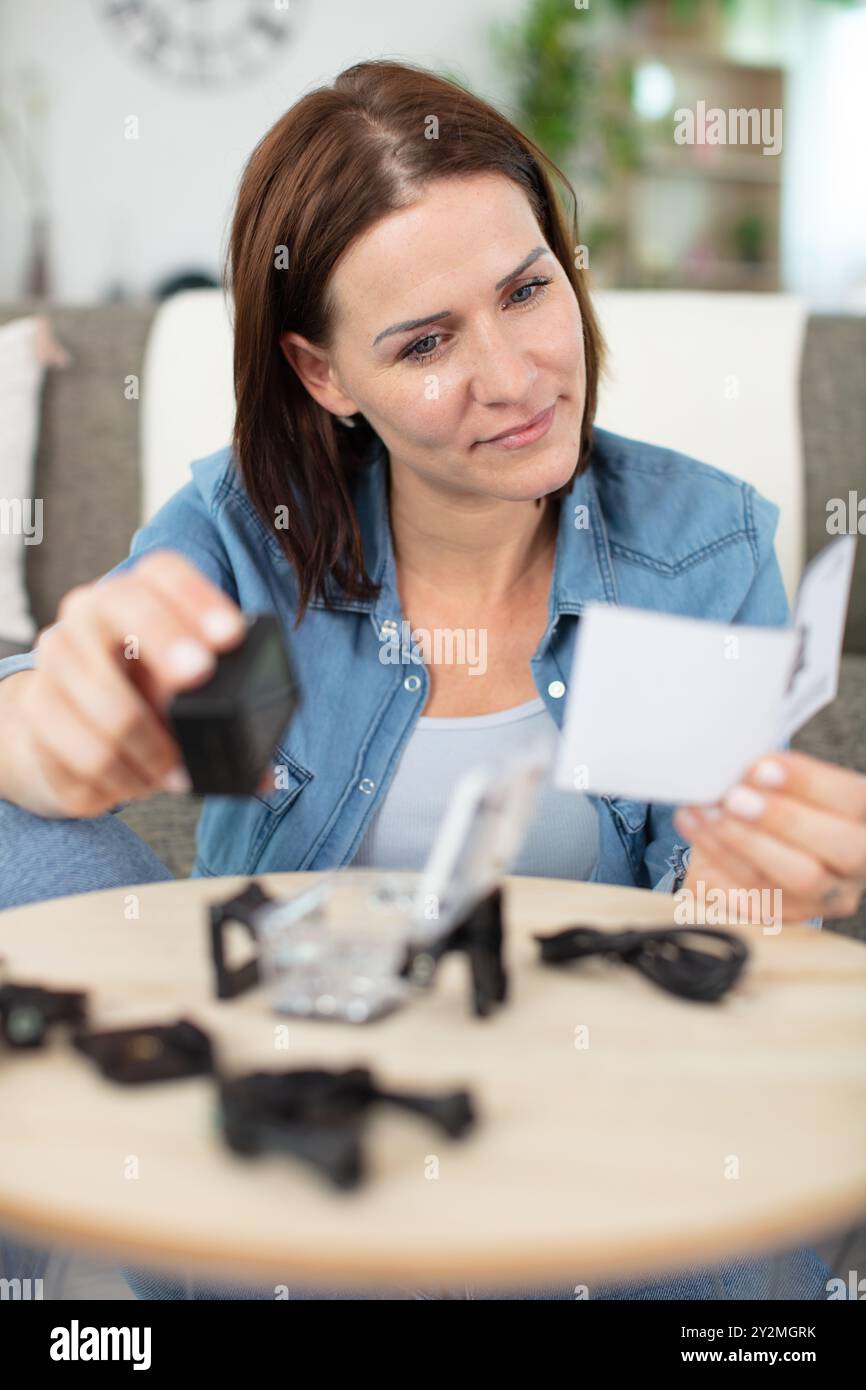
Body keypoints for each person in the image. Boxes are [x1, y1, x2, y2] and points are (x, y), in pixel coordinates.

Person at [1, 59, 863, 1300]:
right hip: (298, 1104)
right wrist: (36, 728)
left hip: (591, 1115)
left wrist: (747, 899)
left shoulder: (702, 543)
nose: (514, 379)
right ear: (323, 375)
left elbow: (711, 943)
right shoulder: (248, 529)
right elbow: (89, 672)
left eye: (526, 289)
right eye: (423, 344)